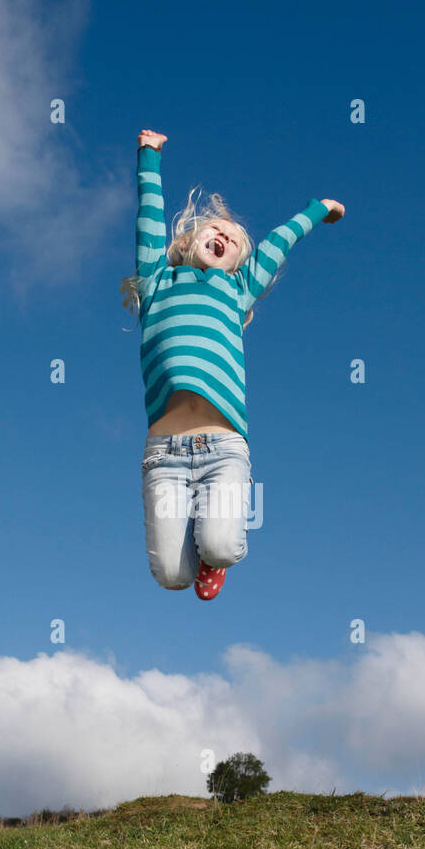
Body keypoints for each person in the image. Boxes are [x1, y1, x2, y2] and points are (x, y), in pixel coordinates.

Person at [122, 128, 344, 599]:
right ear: (190, 240)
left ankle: (217, 555)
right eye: (215, 230)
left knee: (221, 547)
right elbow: (148, 217)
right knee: (173, 578)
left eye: (234, 242)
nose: (223, 236)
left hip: (223, 448)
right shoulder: (157, 281)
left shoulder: (236, 289)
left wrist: (317, 209)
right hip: (164, 453)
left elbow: (279, 243)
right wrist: (149, 157)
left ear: (238, 266)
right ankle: (198, 556)